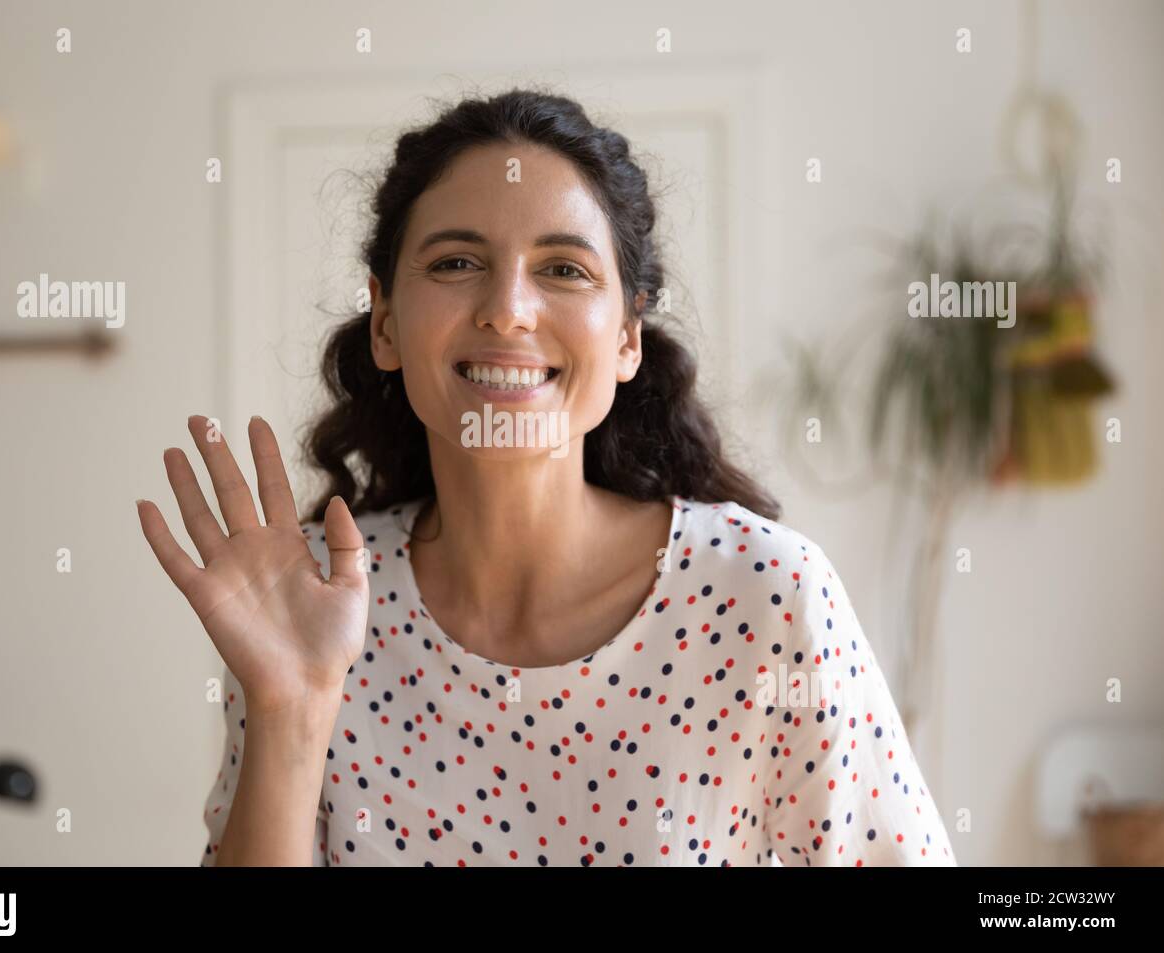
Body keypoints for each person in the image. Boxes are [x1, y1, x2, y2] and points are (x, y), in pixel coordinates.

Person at [136, 87, 957, 867]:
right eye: (457, 262)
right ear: (385, 323)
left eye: (564, 270)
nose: (509, 309)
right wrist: (290, 706)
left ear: (629, 338)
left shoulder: (766, 599)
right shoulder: (309, 605)